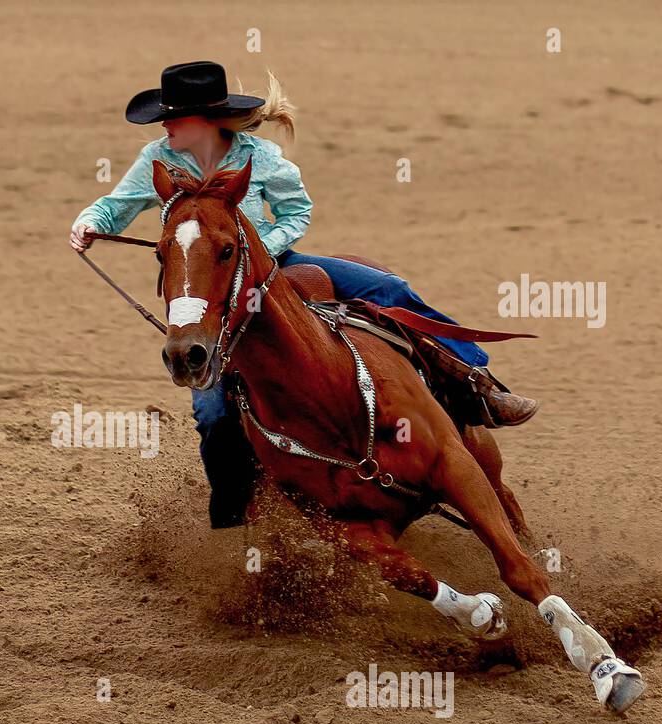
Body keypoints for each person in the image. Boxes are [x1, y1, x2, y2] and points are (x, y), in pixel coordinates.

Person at [71, 61, 538, 528]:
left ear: (206, 120)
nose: (165, 125)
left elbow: (296, 213)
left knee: (389, 289)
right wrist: (93, 222)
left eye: (174, 116)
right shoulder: (159, 159)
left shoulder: (261, 157)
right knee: (213, 413)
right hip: (209, 286)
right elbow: (119, 204)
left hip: (274, 266)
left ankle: (477, 383)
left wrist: (261, 255)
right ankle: (232, 510)